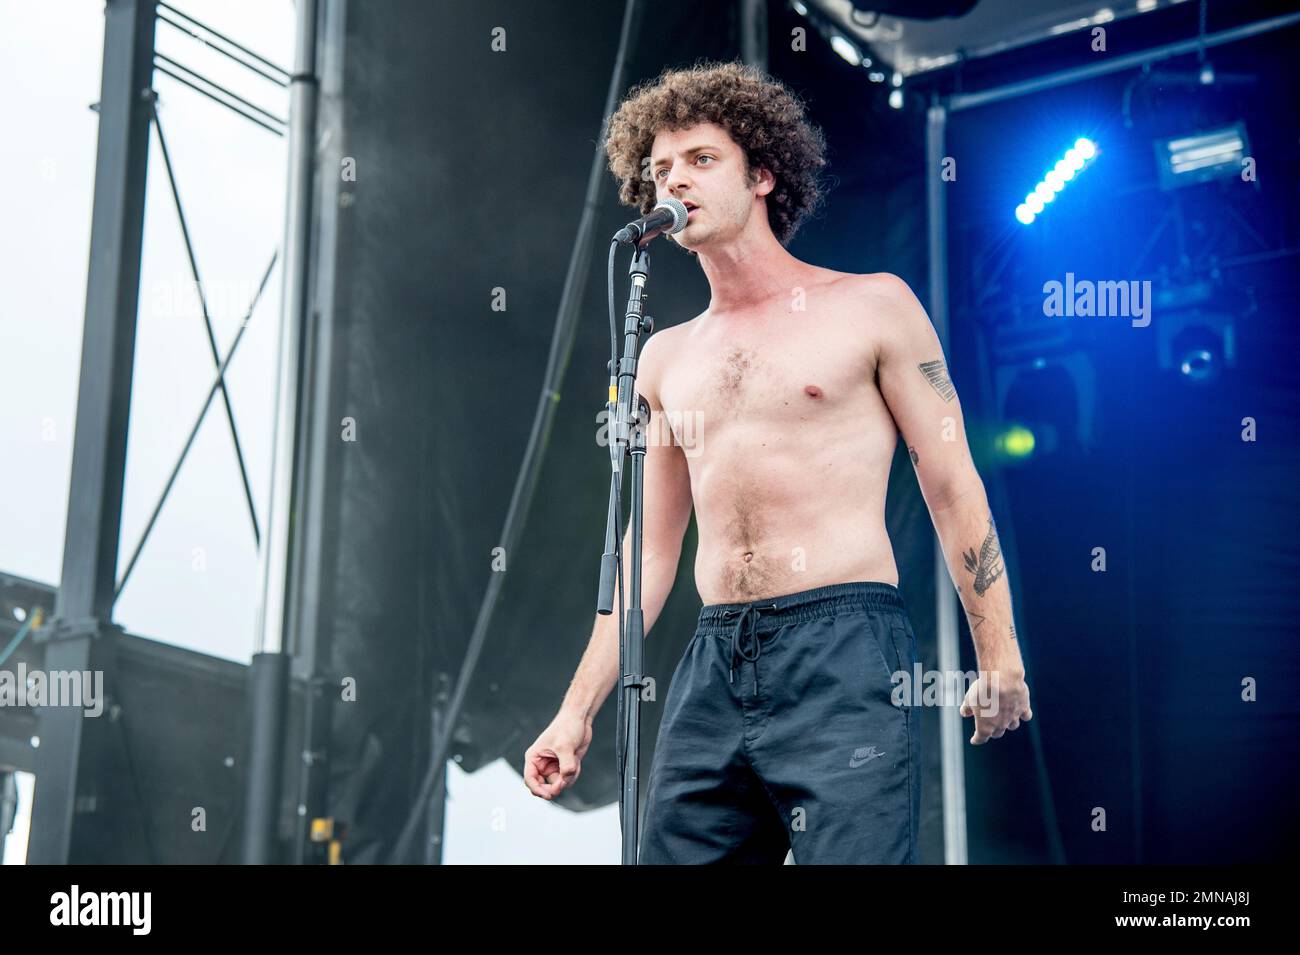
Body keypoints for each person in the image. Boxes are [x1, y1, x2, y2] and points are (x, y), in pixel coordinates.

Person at [524, 61, 1031, 863]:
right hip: (715, 659)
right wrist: (576, 710)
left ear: (761, 173)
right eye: (659, 168)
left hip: (845, 648)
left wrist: (999, 655)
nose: (675, 180)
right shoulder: (660, 357)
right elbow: (649, 555)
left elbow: (949, 482)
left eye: (700, 159)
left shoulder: (873, 305)